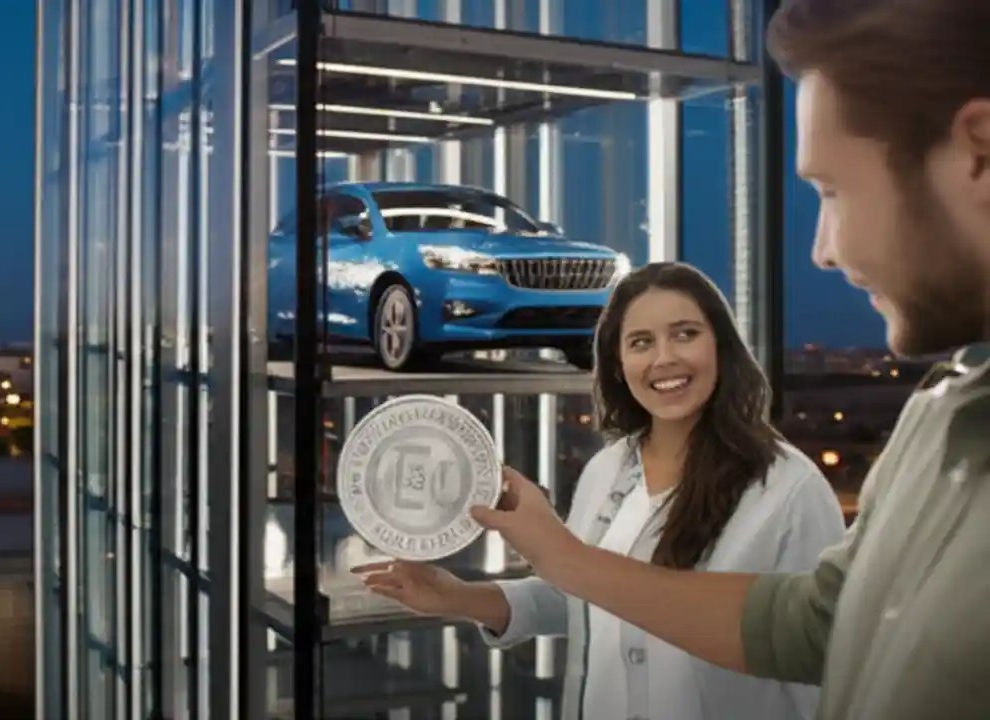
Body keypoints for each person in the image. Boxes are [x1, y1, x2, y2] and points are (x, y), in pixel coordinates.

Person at [369, 1, 990, 718]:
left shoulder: (790, 486)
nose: (824, 249)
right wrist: (476, 593)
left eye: (834, 191)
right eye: (639, 341)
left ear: (978, 151)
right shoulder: (936, 421)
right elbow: (815, 621)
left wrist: (568, 561)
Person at [358, 262, 846, 720]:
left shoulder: (791, 490)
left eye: (685, 334)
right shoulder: (605, 470)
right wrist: (461, 597)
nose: (664, 358)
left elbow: (822, 659)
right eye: (640, 343)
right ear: (616, 364)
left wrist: (559, 553)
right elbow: (582, 595)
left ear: (722, 346)